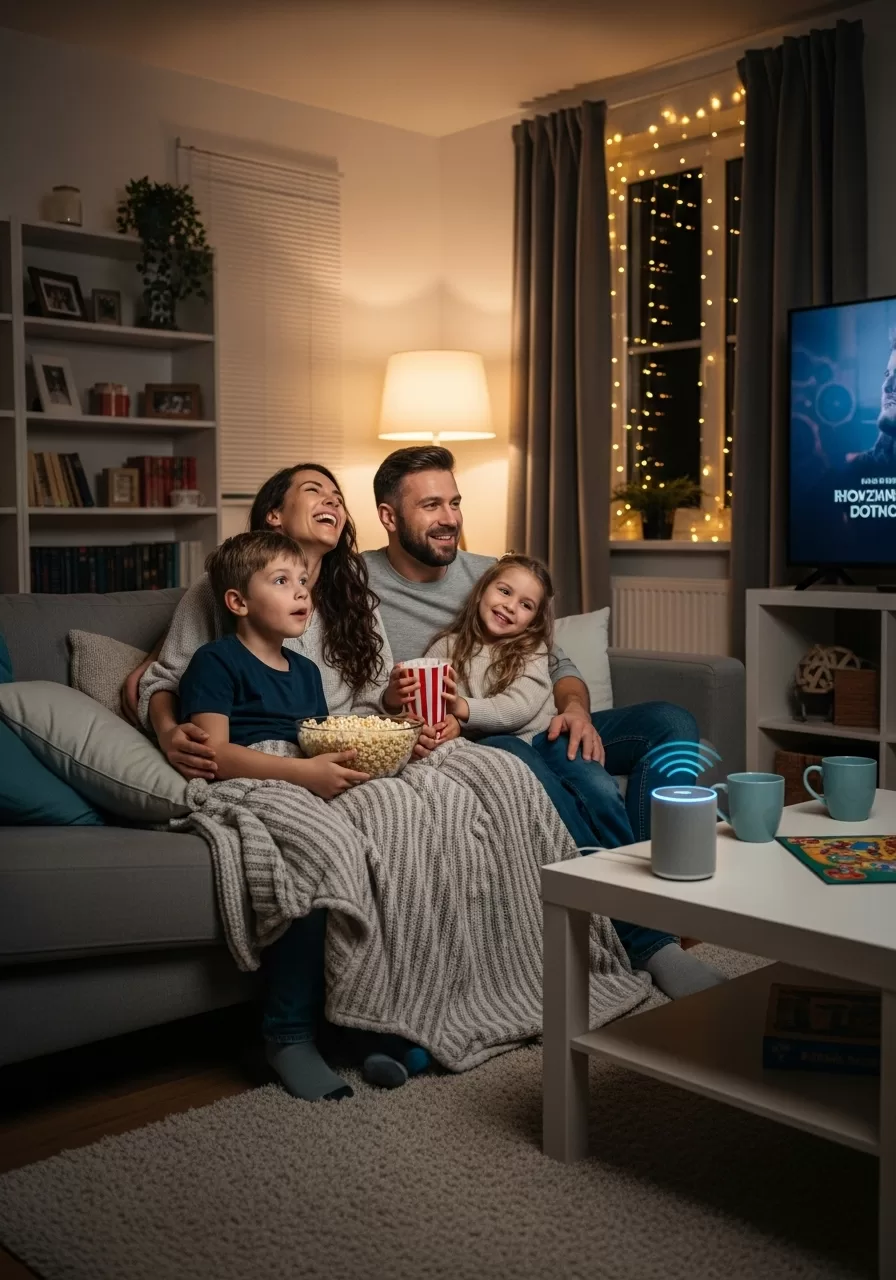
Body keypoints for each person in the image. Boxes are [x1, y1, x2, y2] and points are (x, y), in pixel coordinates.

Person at [364, 446, 722, 1000]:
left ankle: (657, 895)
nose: (450, 518)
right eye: (431, 505)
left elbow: (555, 663)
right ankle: (647, 938)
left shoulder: (489, 572)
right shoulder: (355, 583)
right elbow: (362, 687)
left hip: (539, 722)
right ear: (389, 516)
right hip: (487, 743)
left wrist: (575, 710)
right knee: (559, 774)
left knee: (671, 723)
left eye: (454, 502)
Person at [179, 528, 429, 1100]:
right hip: (253, 780)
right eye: (281, 581)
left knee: (396, 822)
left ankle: (369, 1023)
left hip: (305, 772)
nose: (301, 592)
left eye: (303, 582)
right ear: (238, 601)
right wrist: (305, 776)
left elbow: (317, 740)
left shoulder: (307, 673)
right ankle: (287, 1034)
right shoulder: (215, 661)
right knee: (320, 847)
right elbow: (215, 755)